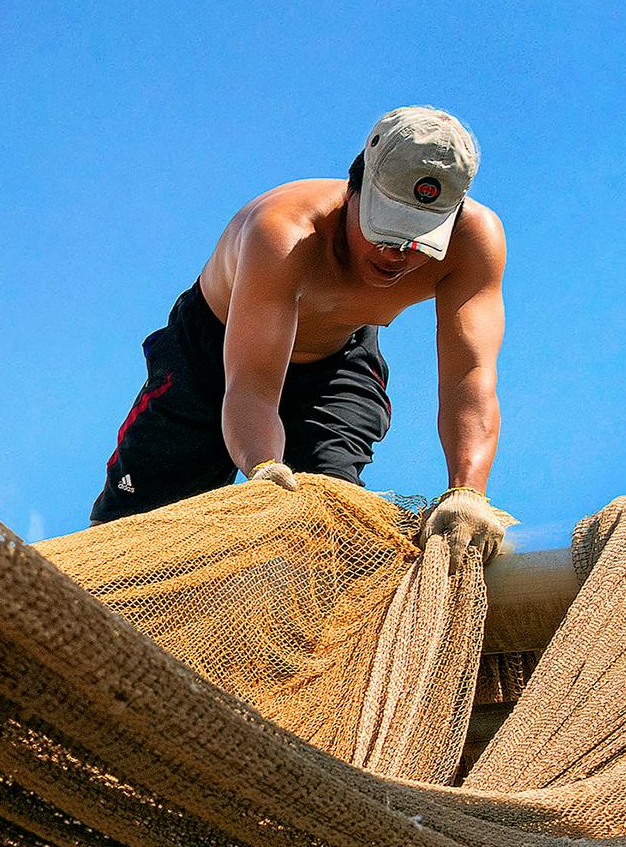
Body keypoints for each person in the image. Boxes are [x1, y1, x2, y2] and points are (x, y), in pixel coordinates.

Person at [91, 106, 512, 557]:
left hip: (336, 360)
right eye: (385, 231)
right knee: (132, 537)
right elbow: (250, 388)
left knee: (328, 529)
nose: (397, 255)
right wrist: (265, 470)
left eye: (416, 240)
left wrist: (467, 492)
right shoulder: (285, 233)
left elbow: (470, 376)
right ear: (356, 188)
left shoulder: (474, 244)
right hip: (213, 357)